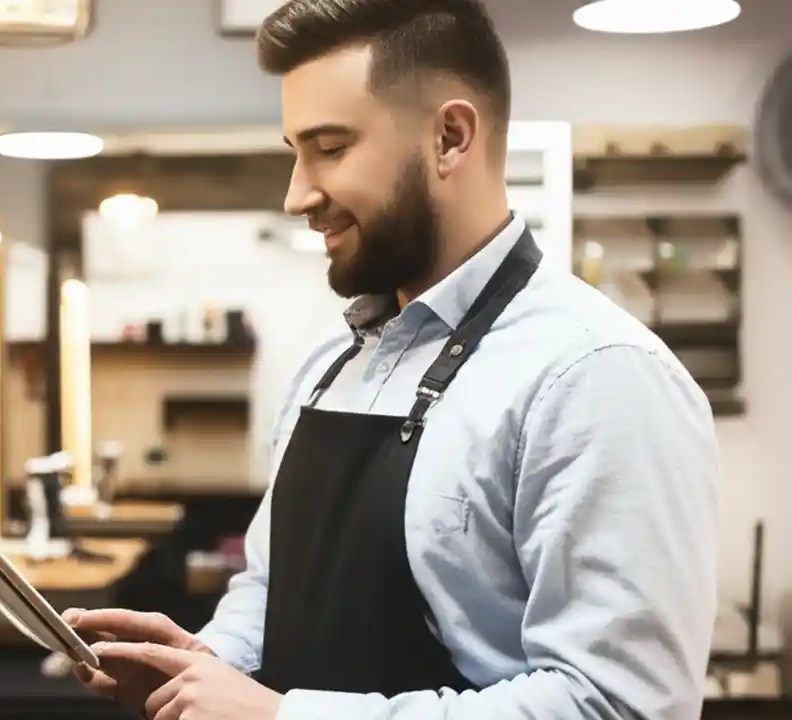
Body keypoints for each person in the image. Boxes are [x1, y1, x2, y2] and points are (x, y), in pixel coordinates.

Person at [63, 0, 720, 718]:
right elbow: (270, 586)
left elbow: (619, 705)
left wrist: (285, 718)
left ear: (450, 137)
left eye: (331, 147)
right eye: (295, 151)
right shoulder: (330, 366)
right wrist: (209, 661)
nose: (296, 194)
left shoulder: (597, 376)